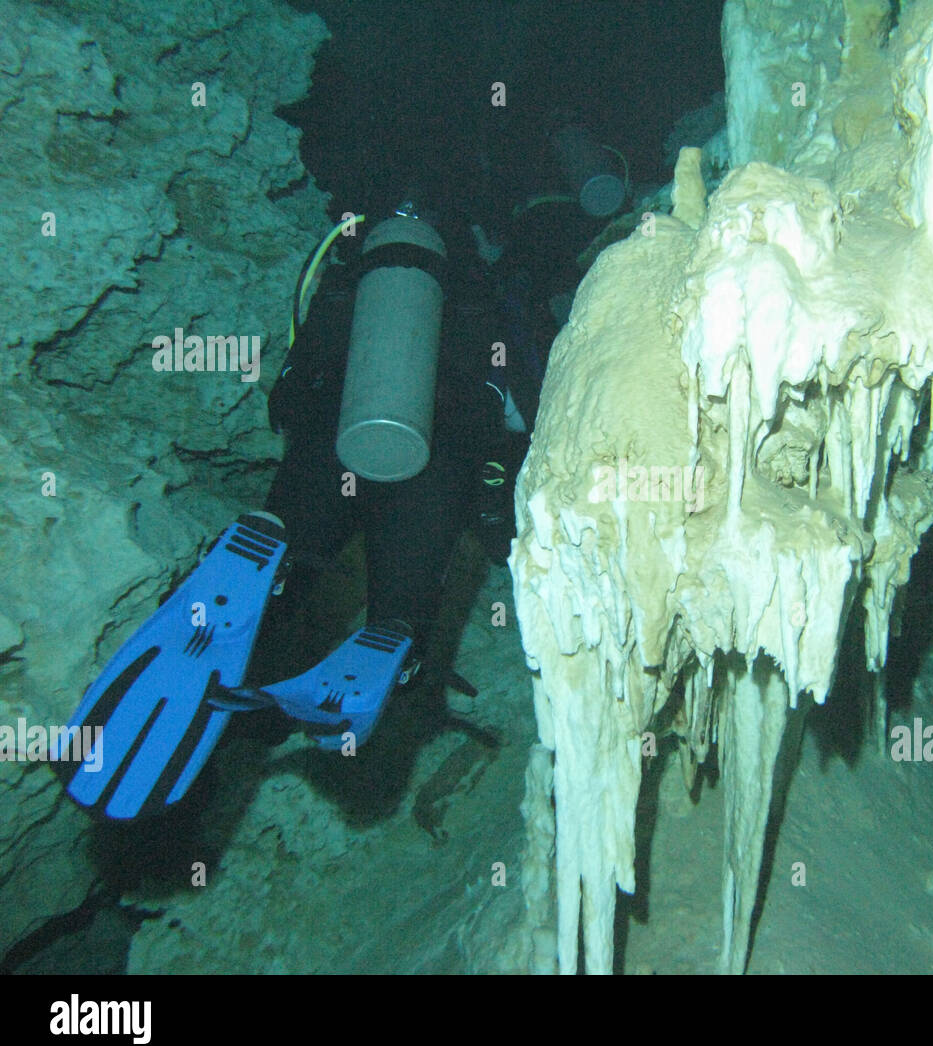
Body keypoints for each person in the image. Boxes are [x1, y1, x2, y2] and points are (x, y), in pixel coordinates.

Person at [57, 121, 628, 821]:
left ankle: (265, 558)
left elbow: (303, 347)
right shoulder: (483, 266)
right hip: (447, 429)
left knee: (295, 540)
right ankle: (396, 632)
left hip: (335, 412)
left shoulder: (356, 250)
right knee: (407, 592)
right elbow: (519, 395)